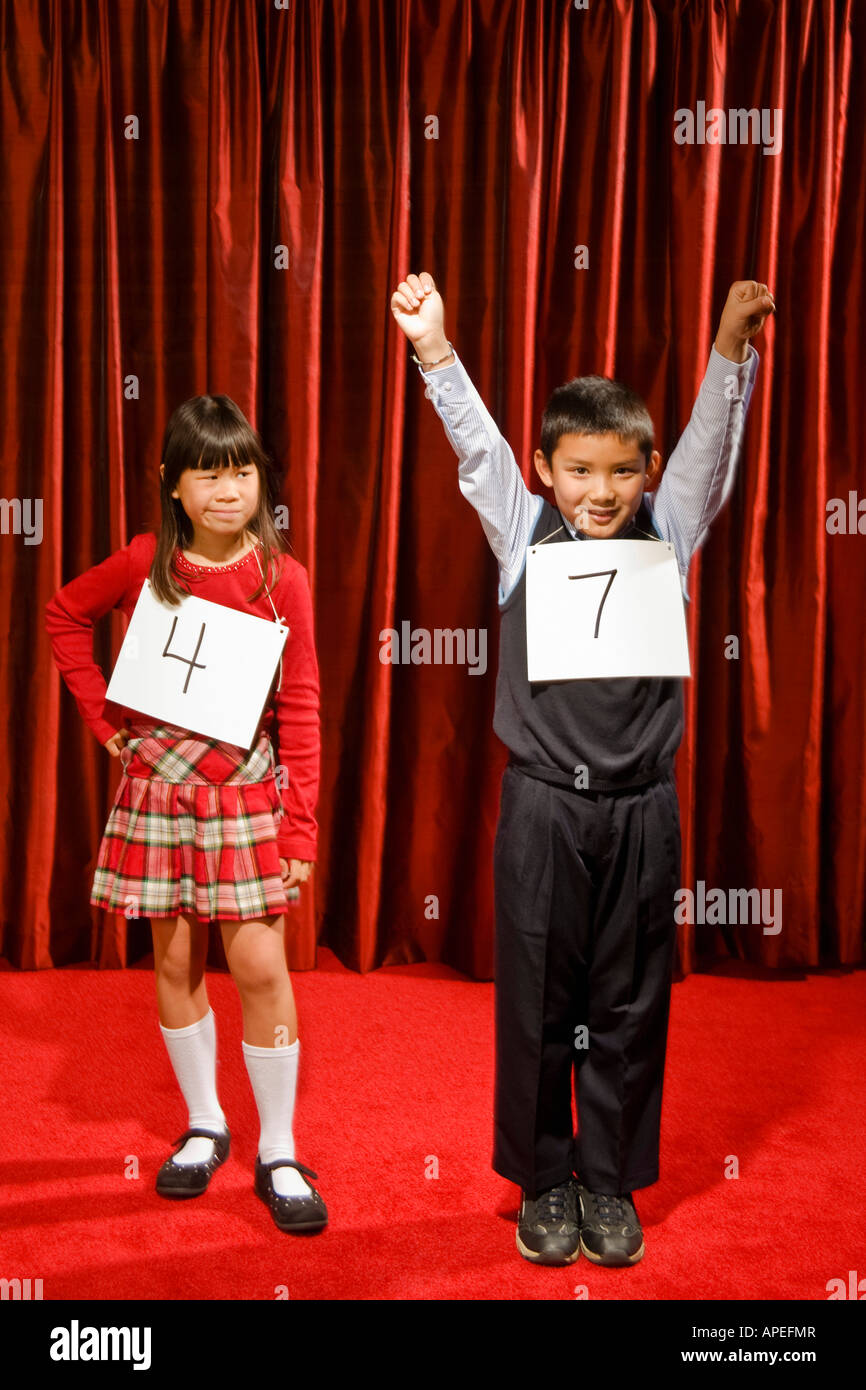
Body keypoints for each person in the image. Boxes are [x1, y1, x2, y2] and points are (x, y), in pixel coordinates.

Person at [390, 271, 773, 1267]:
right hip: (542, 809)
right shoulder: (522, 536)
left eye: (618, 472)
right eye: (578, 471)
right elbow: (475, 449)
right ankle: (543, 1179)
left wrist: (731, 346)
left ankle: (607, 1182)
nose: (599, 492)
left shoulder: (669, 532)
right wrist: (433, 346)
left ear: (643, 473)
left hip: (643, 812)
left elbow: (704, 447)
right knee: (536, 999)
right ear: (547, 471)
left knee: (628, 1001)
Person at [44, 394, 327, 1234]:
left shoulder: (284, 580)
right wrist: (104, 726)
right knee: (173, 965)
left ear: (260, 480)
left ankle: (277, 1149)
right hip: (157, 792)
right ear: (172, 484)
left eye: (240, 470)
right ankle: (205, 1125)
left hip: (244, 796)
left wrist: (298, 825)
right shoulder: (143, 561)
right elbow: (65, 616)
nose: (226, 488)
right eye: (206, 472)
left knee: (261, 970)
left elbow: (302, 705)